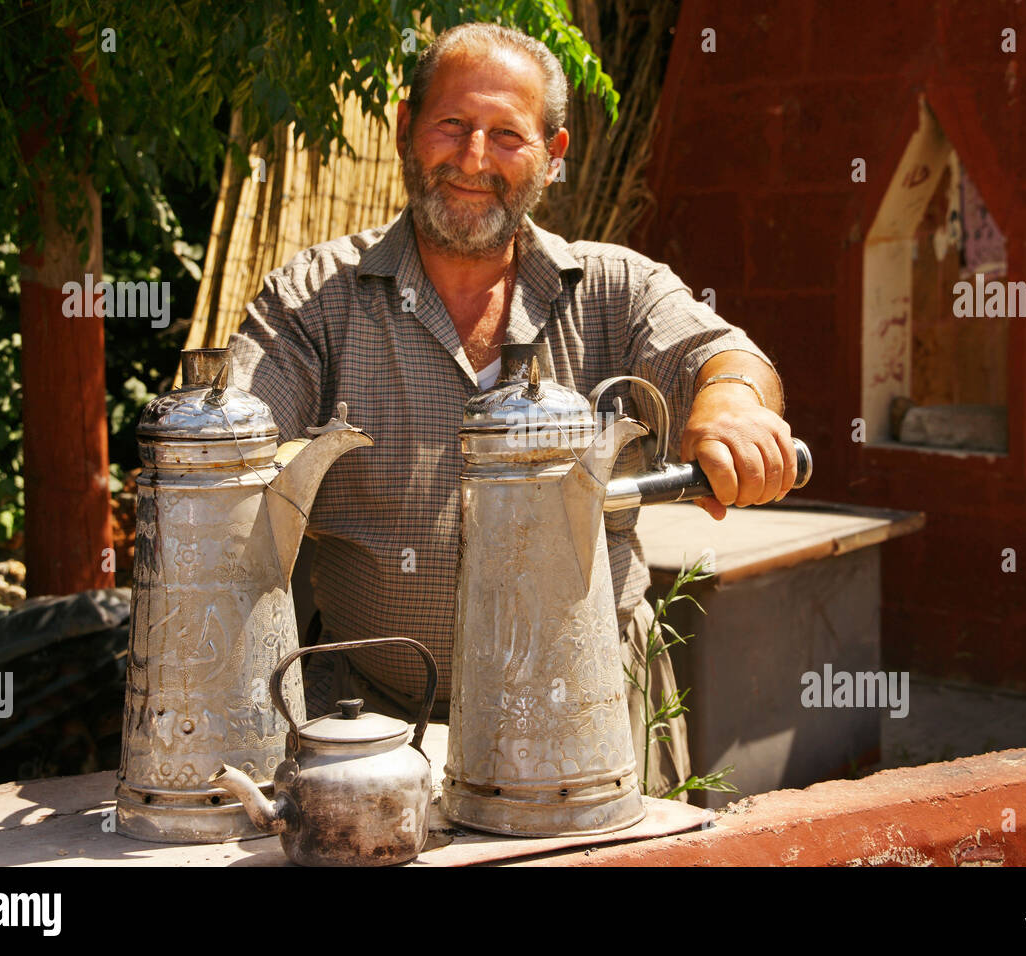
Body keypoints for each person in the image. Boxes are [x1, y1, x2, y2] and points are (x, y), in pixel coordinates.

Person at [229, 22, 795, 798]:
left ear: (554, 156)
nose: (472, 160)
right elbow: (233, 442)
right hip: (374, 736)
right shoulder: (315, 301)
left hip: (599, 714)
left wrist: (732, 406)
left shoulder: (614, 289)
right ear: (404, 128)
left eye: (507, 136)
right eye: (452, 127)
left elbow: (719, 354)